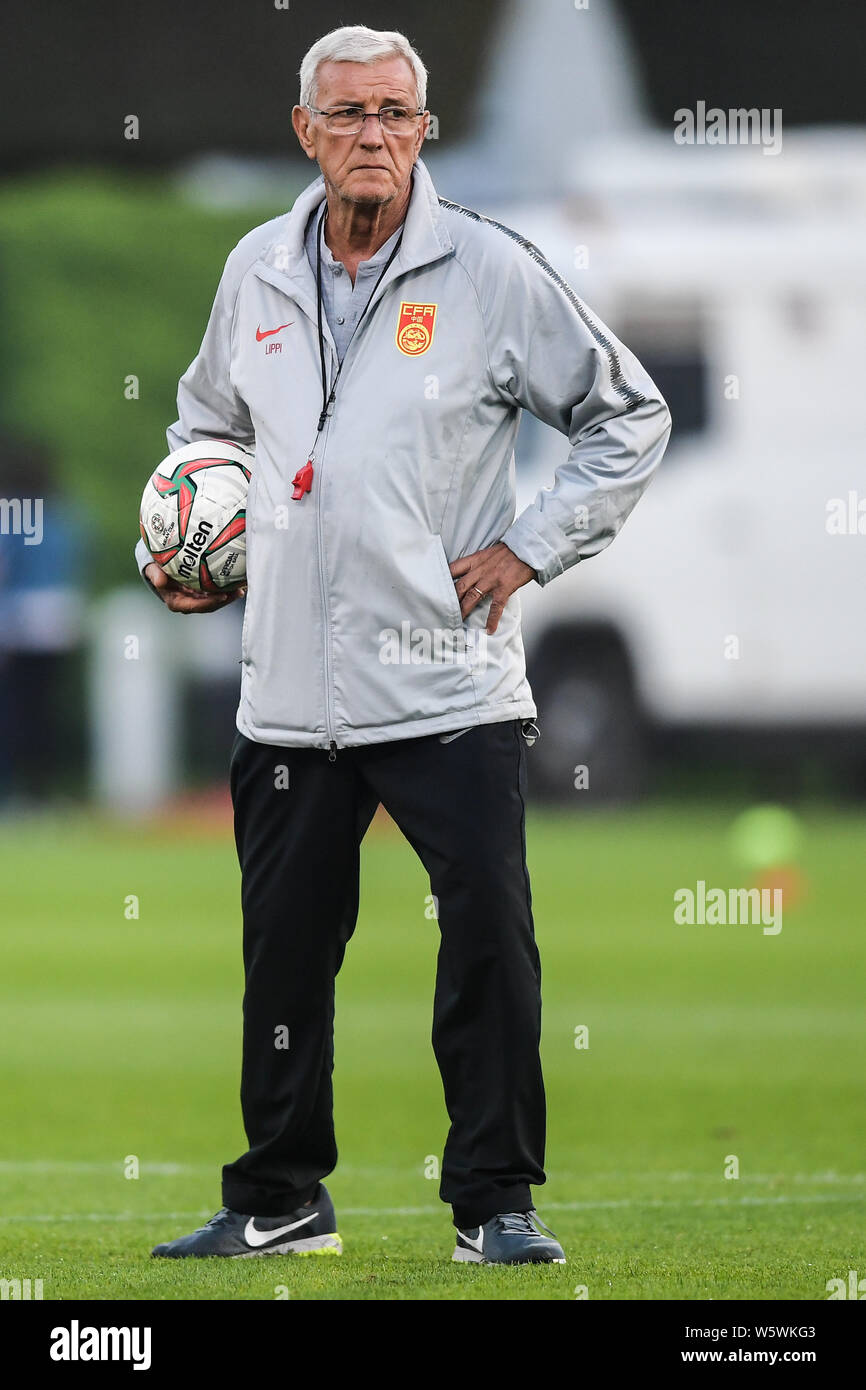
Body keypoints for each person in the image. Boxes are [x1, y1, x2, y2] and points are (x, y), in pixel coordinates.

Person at [138, 24, 671, 1265]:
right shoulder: (252, 273)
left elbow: (625, 415)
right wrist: (194, 544)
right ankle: (279, 1200)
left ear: (424, 131)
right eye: (347, 113)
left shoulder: (489, 271)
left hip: (447, 686)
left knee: (485, 942)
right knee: (281, 965)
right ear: (304, 133)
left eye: (394, 112)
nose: (371, 134)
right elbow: (201, 428)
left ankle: (494, 1205)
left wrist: (532, 545)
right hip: (287, 695)